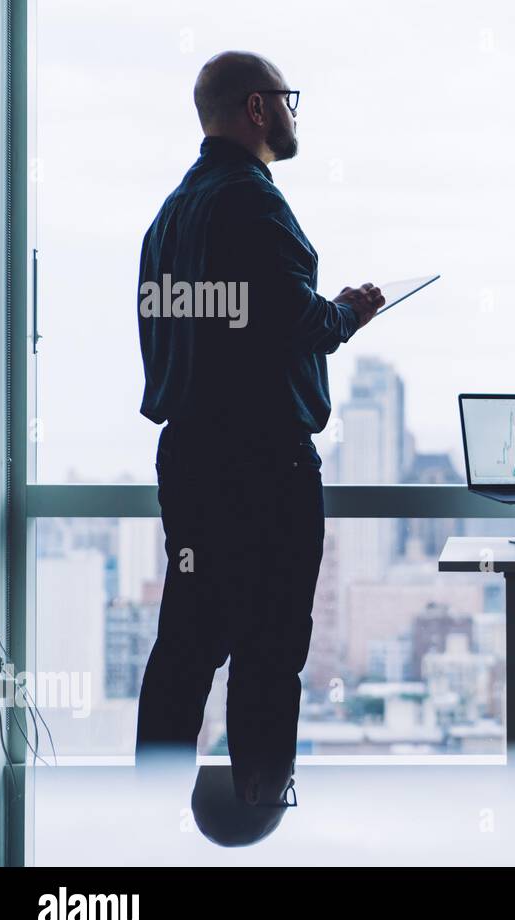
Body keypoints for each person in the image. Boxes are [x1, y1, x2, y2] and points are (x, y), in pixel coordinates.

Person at [135, 51, 384, 816]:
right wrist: (347, 309)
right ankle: (260, 820)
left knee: (186, 646)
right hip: (264, 465)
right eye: (286, 98)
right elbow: (294, 321)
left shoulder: (171, 214)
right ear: (256, 108)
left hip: (191, 462)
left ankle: (143, 820)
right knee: (270, 656)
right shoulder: (253, 202)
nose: (292, 111)